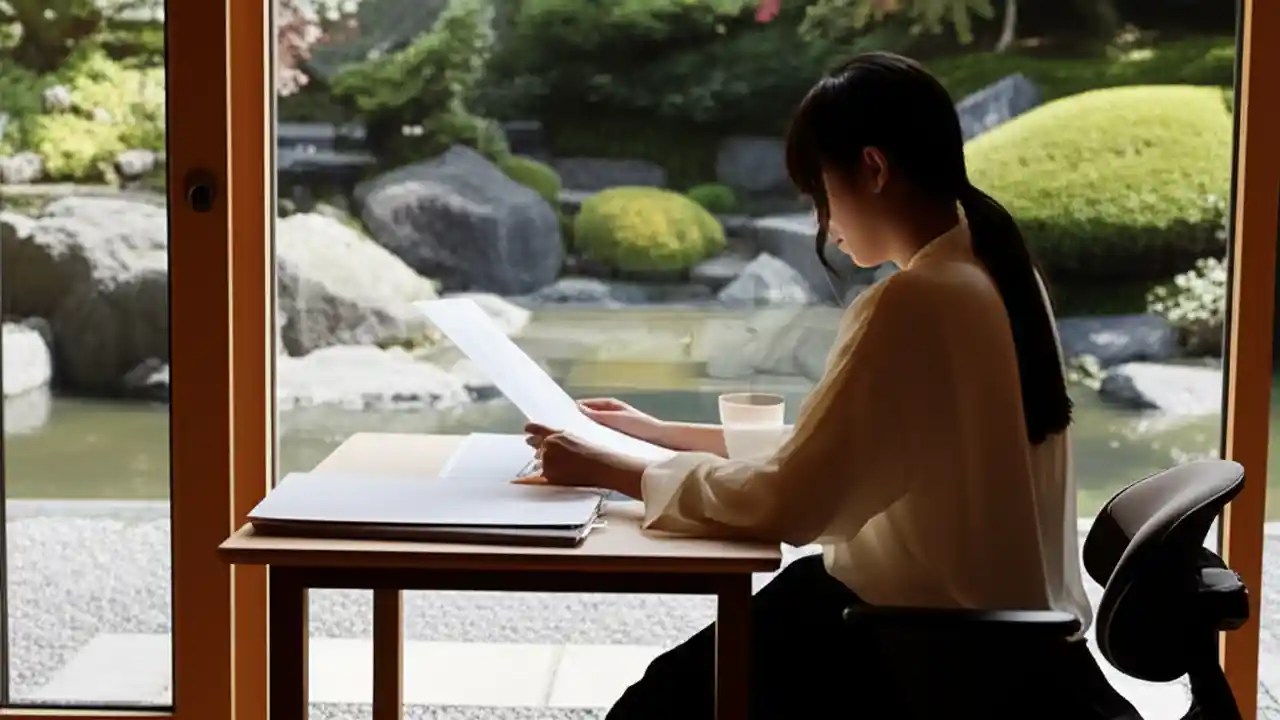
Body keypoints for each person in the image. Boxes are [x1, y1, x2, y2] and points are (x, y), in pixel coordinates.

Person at [522, 52, 1137, 719]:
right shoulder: (997, 270)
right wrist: (659, 434)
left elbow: (792, 504)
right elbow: (857, 449)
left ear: (872, 169)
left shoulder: (916, 301)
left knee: (656, 706)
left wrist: (618, 472)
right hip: (997, 644)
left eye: (821, 193)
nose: (825, 222)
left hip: (917, 648)